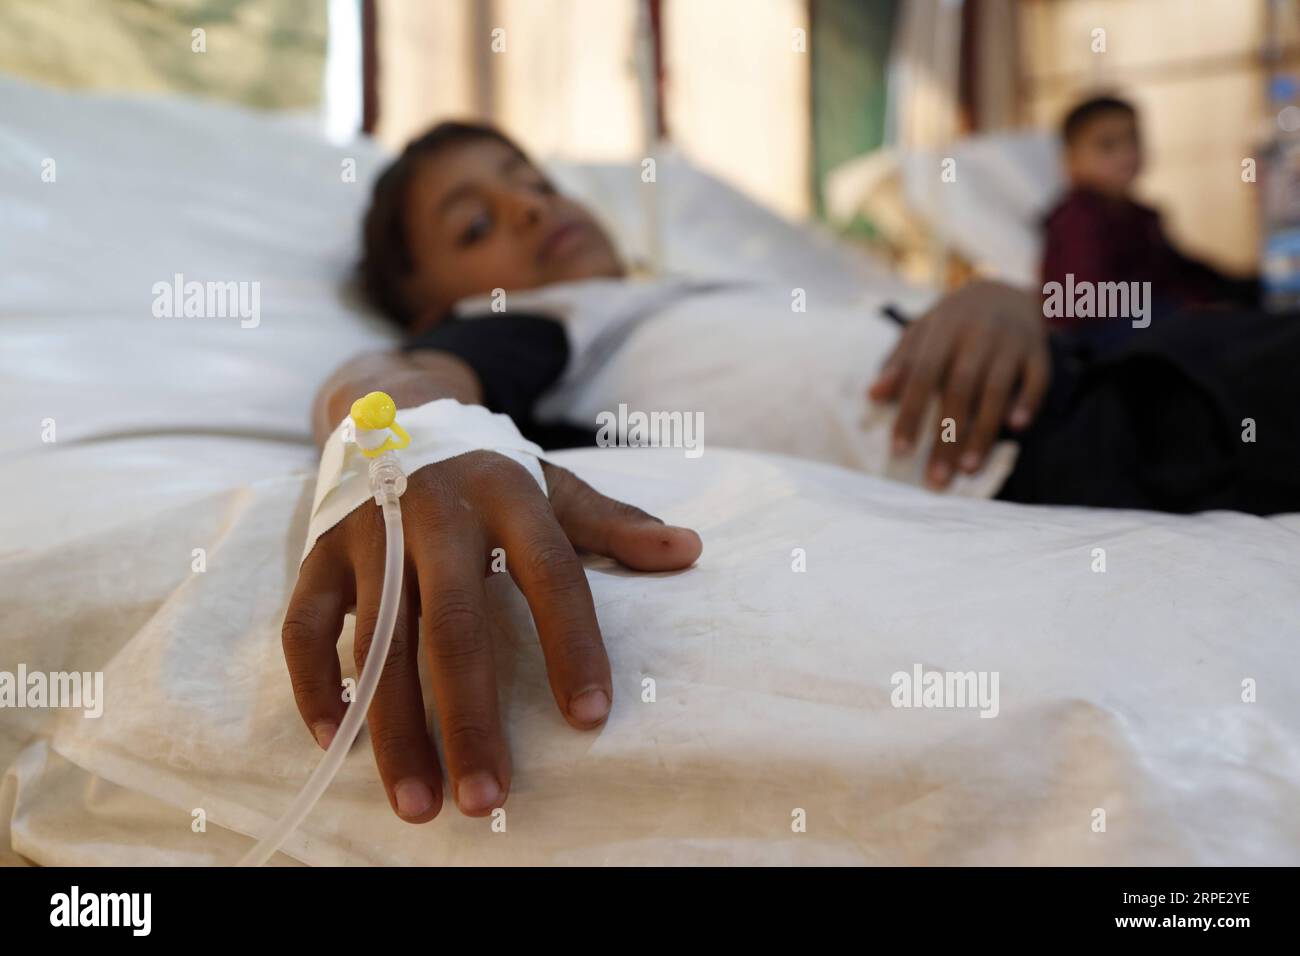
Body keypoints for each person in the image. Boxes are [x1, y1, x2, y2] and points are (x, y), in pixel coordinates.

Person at [284, 120, 1299, 825]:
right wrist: (406, 443)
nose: (524, 205)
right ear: (440, 303)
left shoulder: (674, 296)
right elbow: (390, 379)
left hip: (1101, 365)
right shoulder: (535, 328)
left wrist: (998, 297)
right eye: (473, 224)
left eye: (531, 178)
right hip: (1092, 428)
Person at [1041, 94, 1257, 346]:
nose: (1126, 153)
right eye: (1107, 145)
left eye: (1133, 138)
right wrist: (1189, 307)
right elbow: (1083, 302)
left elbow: (1182, 269)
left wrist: (1235, 287)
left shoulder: (1141, 216)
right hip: (1110, 341)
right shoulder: (1077, 221)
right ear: (1071, 160)